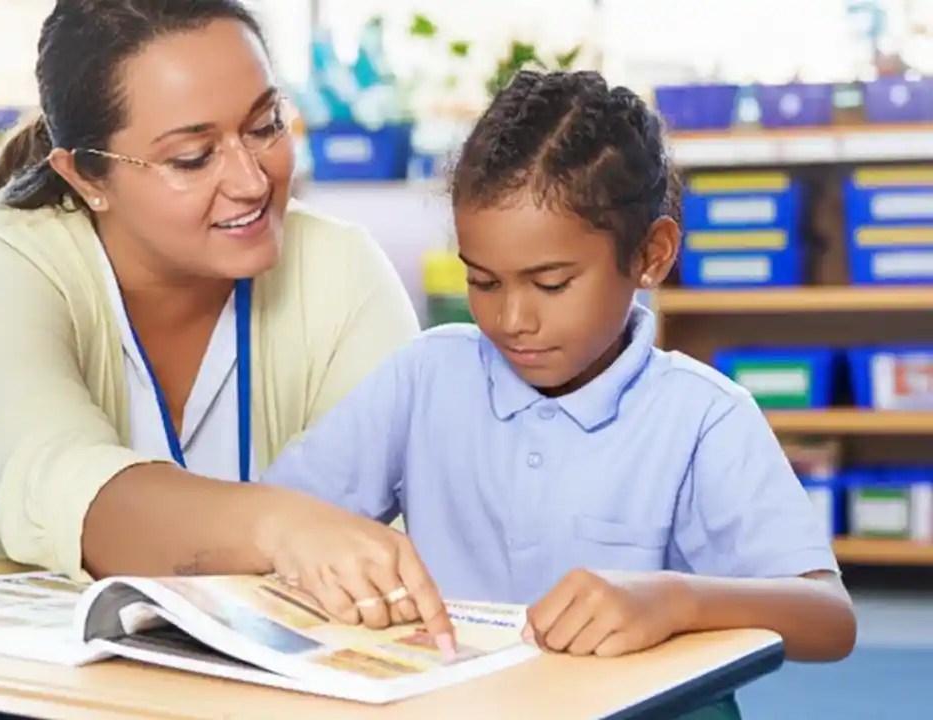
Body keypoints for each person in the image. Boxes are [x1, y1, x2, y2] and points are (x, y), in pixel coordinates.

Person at [0, 0, 457, 649]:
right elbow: (66, 489)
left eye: (266, 125)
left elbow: (420, 515)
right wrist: (283, 526)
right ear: (85, 173)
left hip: (181, 683)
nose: (251, 180)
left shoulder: (337, 264)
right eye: (193, 157)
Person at [261, 71, 857, 671]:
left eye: (551, 284)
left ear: (651, 255)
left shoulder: (702, 415)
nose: (513, 318)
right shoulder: (426, 377)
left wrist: (678, 601)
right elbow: (273, 519)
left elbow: (829, 620)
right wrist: (336, 551)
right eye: (482, 280)